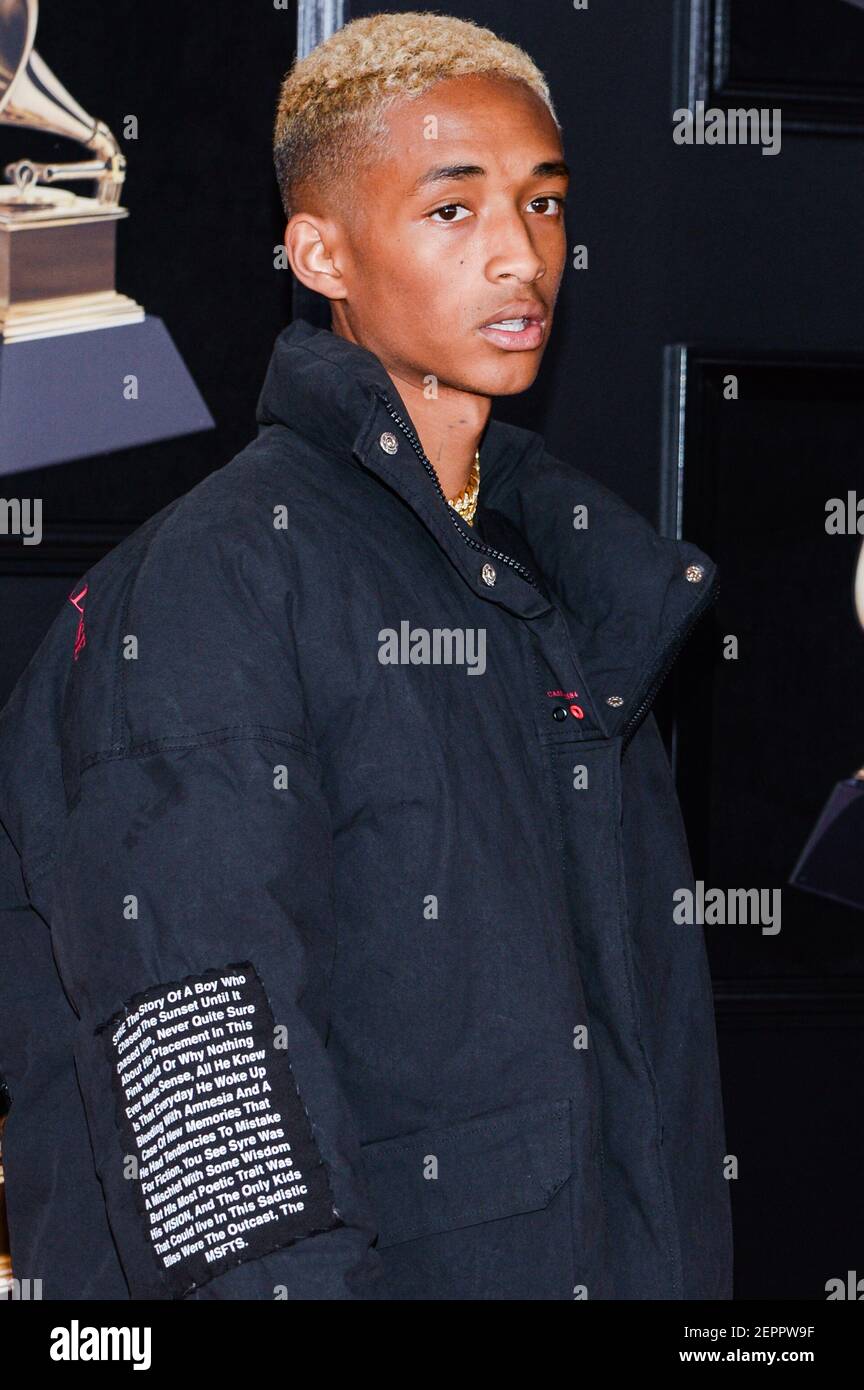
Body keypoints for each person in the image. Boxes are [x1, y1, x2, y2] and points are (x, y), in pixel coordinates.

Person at [0, 11, 732, 1300]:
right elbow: (203, 1069)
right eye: (453, 211)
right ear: (320, 251)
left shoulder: (554, 580)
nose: (521, 254)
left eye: (545, 203)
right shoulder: (223, 578)